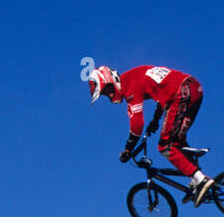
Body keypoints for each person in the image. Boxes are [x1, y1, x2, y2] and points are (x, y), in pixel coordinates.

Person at [88, 64, 214, 205]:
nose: (110, 96)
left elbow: (137, 124)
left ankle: (200, 179)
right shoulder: (136, 75)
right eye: (106, 94)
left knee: (165, 146)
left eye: (108, 90)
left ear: (114, 79)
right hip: (193, 88)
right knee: (176, 141)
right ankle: (199, 180)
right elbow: (163, 94)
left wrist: (129, 147)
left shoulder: (129, 85)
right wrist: (155, 120)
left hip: (182, 93)